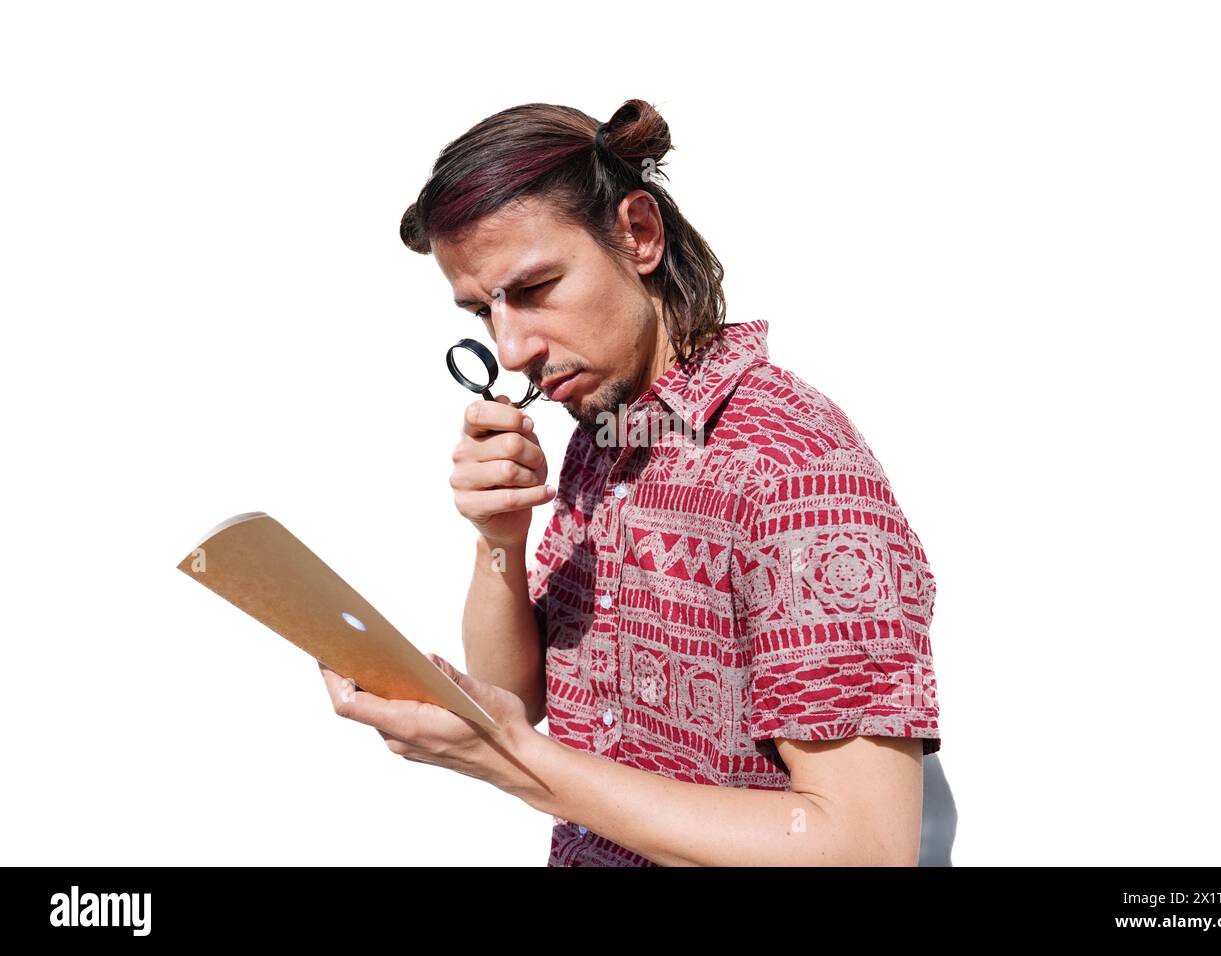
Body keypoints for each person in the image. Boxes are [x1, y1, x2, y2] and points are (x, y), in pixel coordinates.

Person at [318, 98, 944, 866]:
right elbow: (514, 690)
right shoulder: (605, 436)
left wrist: (512, 761)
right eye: (484, 311)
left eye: (534, 287)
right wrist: (498, 540)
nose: (511, 349)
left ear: (638, 233)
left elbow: (867, 848)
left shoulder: (794, 469)